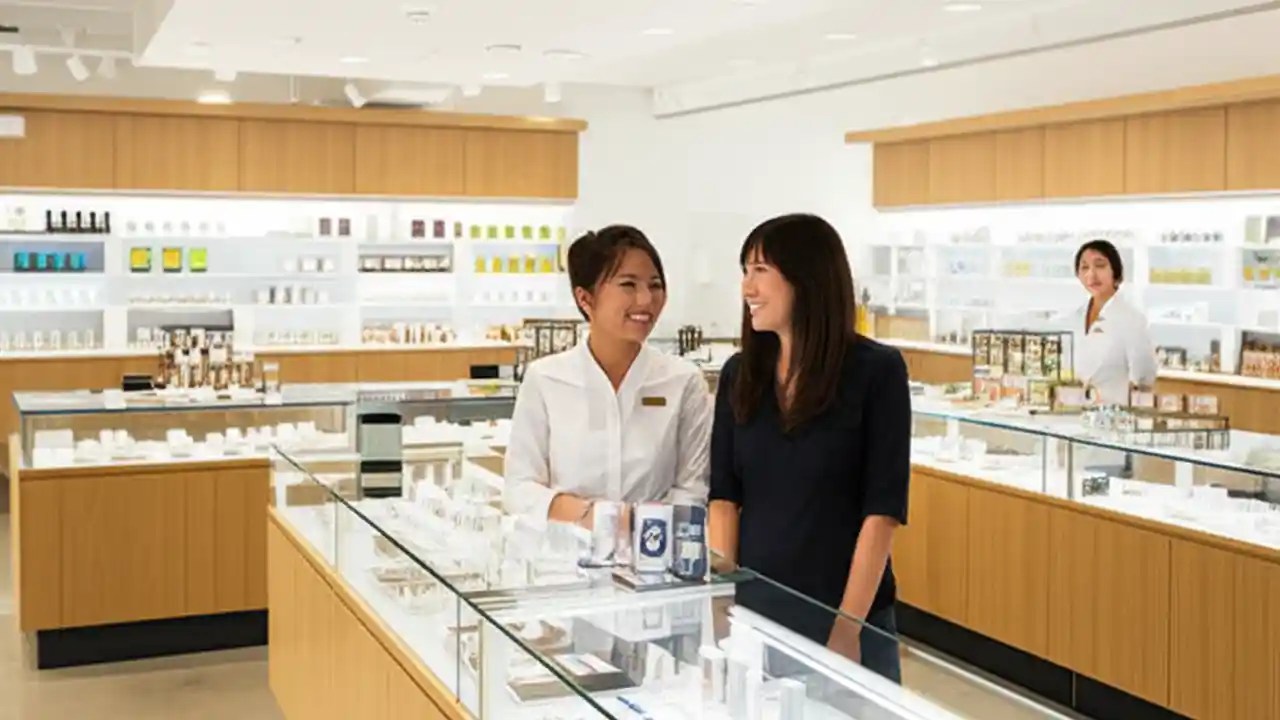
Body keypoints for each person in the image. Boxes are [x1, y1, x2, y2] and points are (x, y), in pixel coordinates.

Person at [708, 213, 910, 682]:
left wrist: (846, 629)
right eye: (745, 271)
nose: (747, 288)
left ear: (807, 279)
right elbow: (723, 499)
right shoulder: (742, 374)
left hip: (848, 618)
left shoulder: (876, 372)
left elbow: (882, 513)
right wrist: (721, 607)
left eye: (760, 271)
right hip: (756, 613)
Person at [503, 225, 711, 528]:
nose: (646, 300)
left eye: (655, 285)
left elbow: (692, 491)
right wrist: (597, 517)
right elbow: (520, 488)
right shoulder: (546, 379)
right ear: (586, 300)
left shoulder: (683, 382)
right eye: (628, 284)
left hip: (654, 563)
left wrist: (636, 527)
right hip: (565, 563)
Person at [1066, 239, 1158, 405]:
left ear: (1115, 271)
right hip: (1076, 414)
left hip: (1115, 416)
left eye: (1100, 266)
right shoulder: (1075, 317)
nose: (1091, 275)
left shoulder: (1131, 319)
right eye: (1084, 267)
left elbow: (1144, 377)